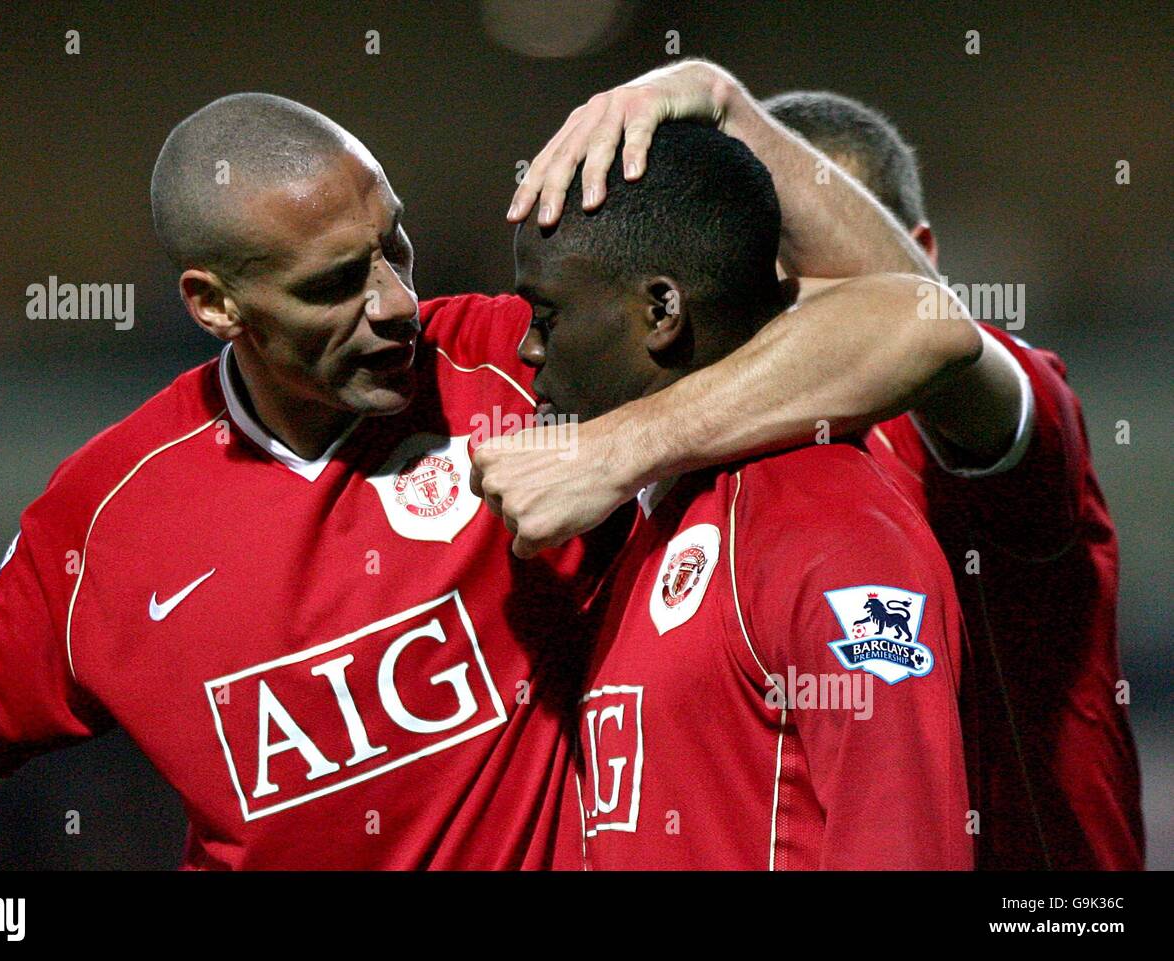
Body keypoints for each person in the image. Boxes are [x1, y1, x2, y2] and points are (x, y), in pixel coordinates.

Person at [0, 76, 967, 868]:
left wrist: (622, 445)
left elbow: (921, 325)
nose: (396, 300)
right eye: (337, 281)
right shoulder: (108, 521)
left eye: (392, 246)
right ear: (215, 304)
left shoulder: (510, 361)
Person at [478, 61, 1142, 870]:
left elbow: (923, 321)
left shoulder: (997, 414)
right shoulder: (706, 468)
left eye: (816, 270)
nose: (784, 303)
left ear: (916, 251)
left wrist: (723, 100)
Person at [513, 121, 971, 868]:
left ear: (661, 311)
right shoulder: (645, 525)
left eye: (548, 315)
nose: (527, 347)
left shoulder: (832, 531)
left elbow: (904, 845)